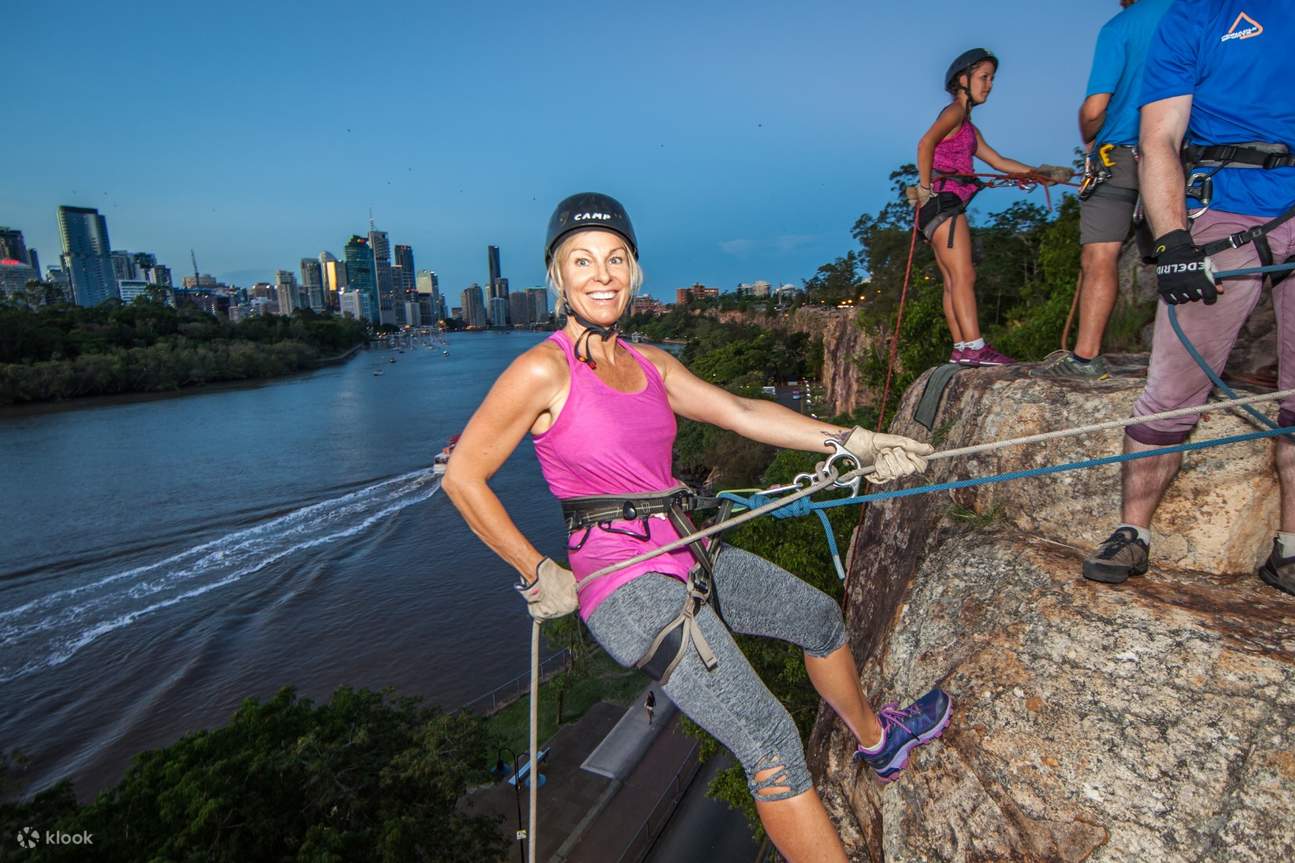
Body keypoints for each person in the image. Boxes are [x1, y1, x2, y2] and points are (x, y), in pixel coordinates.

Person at [444, 192, 952, 861]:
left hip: (689, 551)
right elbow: (463, 476)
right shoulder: (542, 369)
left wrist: (850, 439)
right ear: (558, 278)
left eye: (615, 258)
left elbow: (741, 410)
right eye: (582, 260)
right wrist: (536, 568)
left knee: (818, 616)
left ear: (635, 272)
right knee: (769, 739)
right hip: (628, 588)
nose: (602, 273)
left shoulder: (650, 364)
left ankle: (876, 740)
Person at [1082, 0, 1295, 596]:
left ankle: (1291, 549)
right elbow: (1160, 136)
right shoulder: (1195, 16)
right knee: (1173, 390)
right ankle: (1133, 531)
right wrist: (1173, 239)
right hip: (1225, 202)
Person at [1033, 0, 1172, 381]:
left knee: (1099, 256)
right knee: (1176, 254)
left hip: (1119, 156)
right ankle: (1177, 360)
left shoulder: (1120, 28)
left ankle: (1087, 357)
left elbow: (1095, 109)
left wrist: (1086, 133)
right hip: (1179, 154)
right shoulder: (1194, 13)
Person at [912, 49, 1073, 368]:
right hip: (943, 202)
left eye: (991, 79)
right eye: (984, 77)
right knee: (963, 274)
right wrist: (925, 187)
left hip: (935, 207)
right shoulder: (954, 112)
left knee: (951, 279)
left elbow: (998, 161)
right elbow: (924, 143)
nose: (989, 85)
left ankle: (961, 347)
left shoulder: (968, 128)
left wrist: (1038, 173)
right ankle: (974, 347)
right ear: (963, 79)